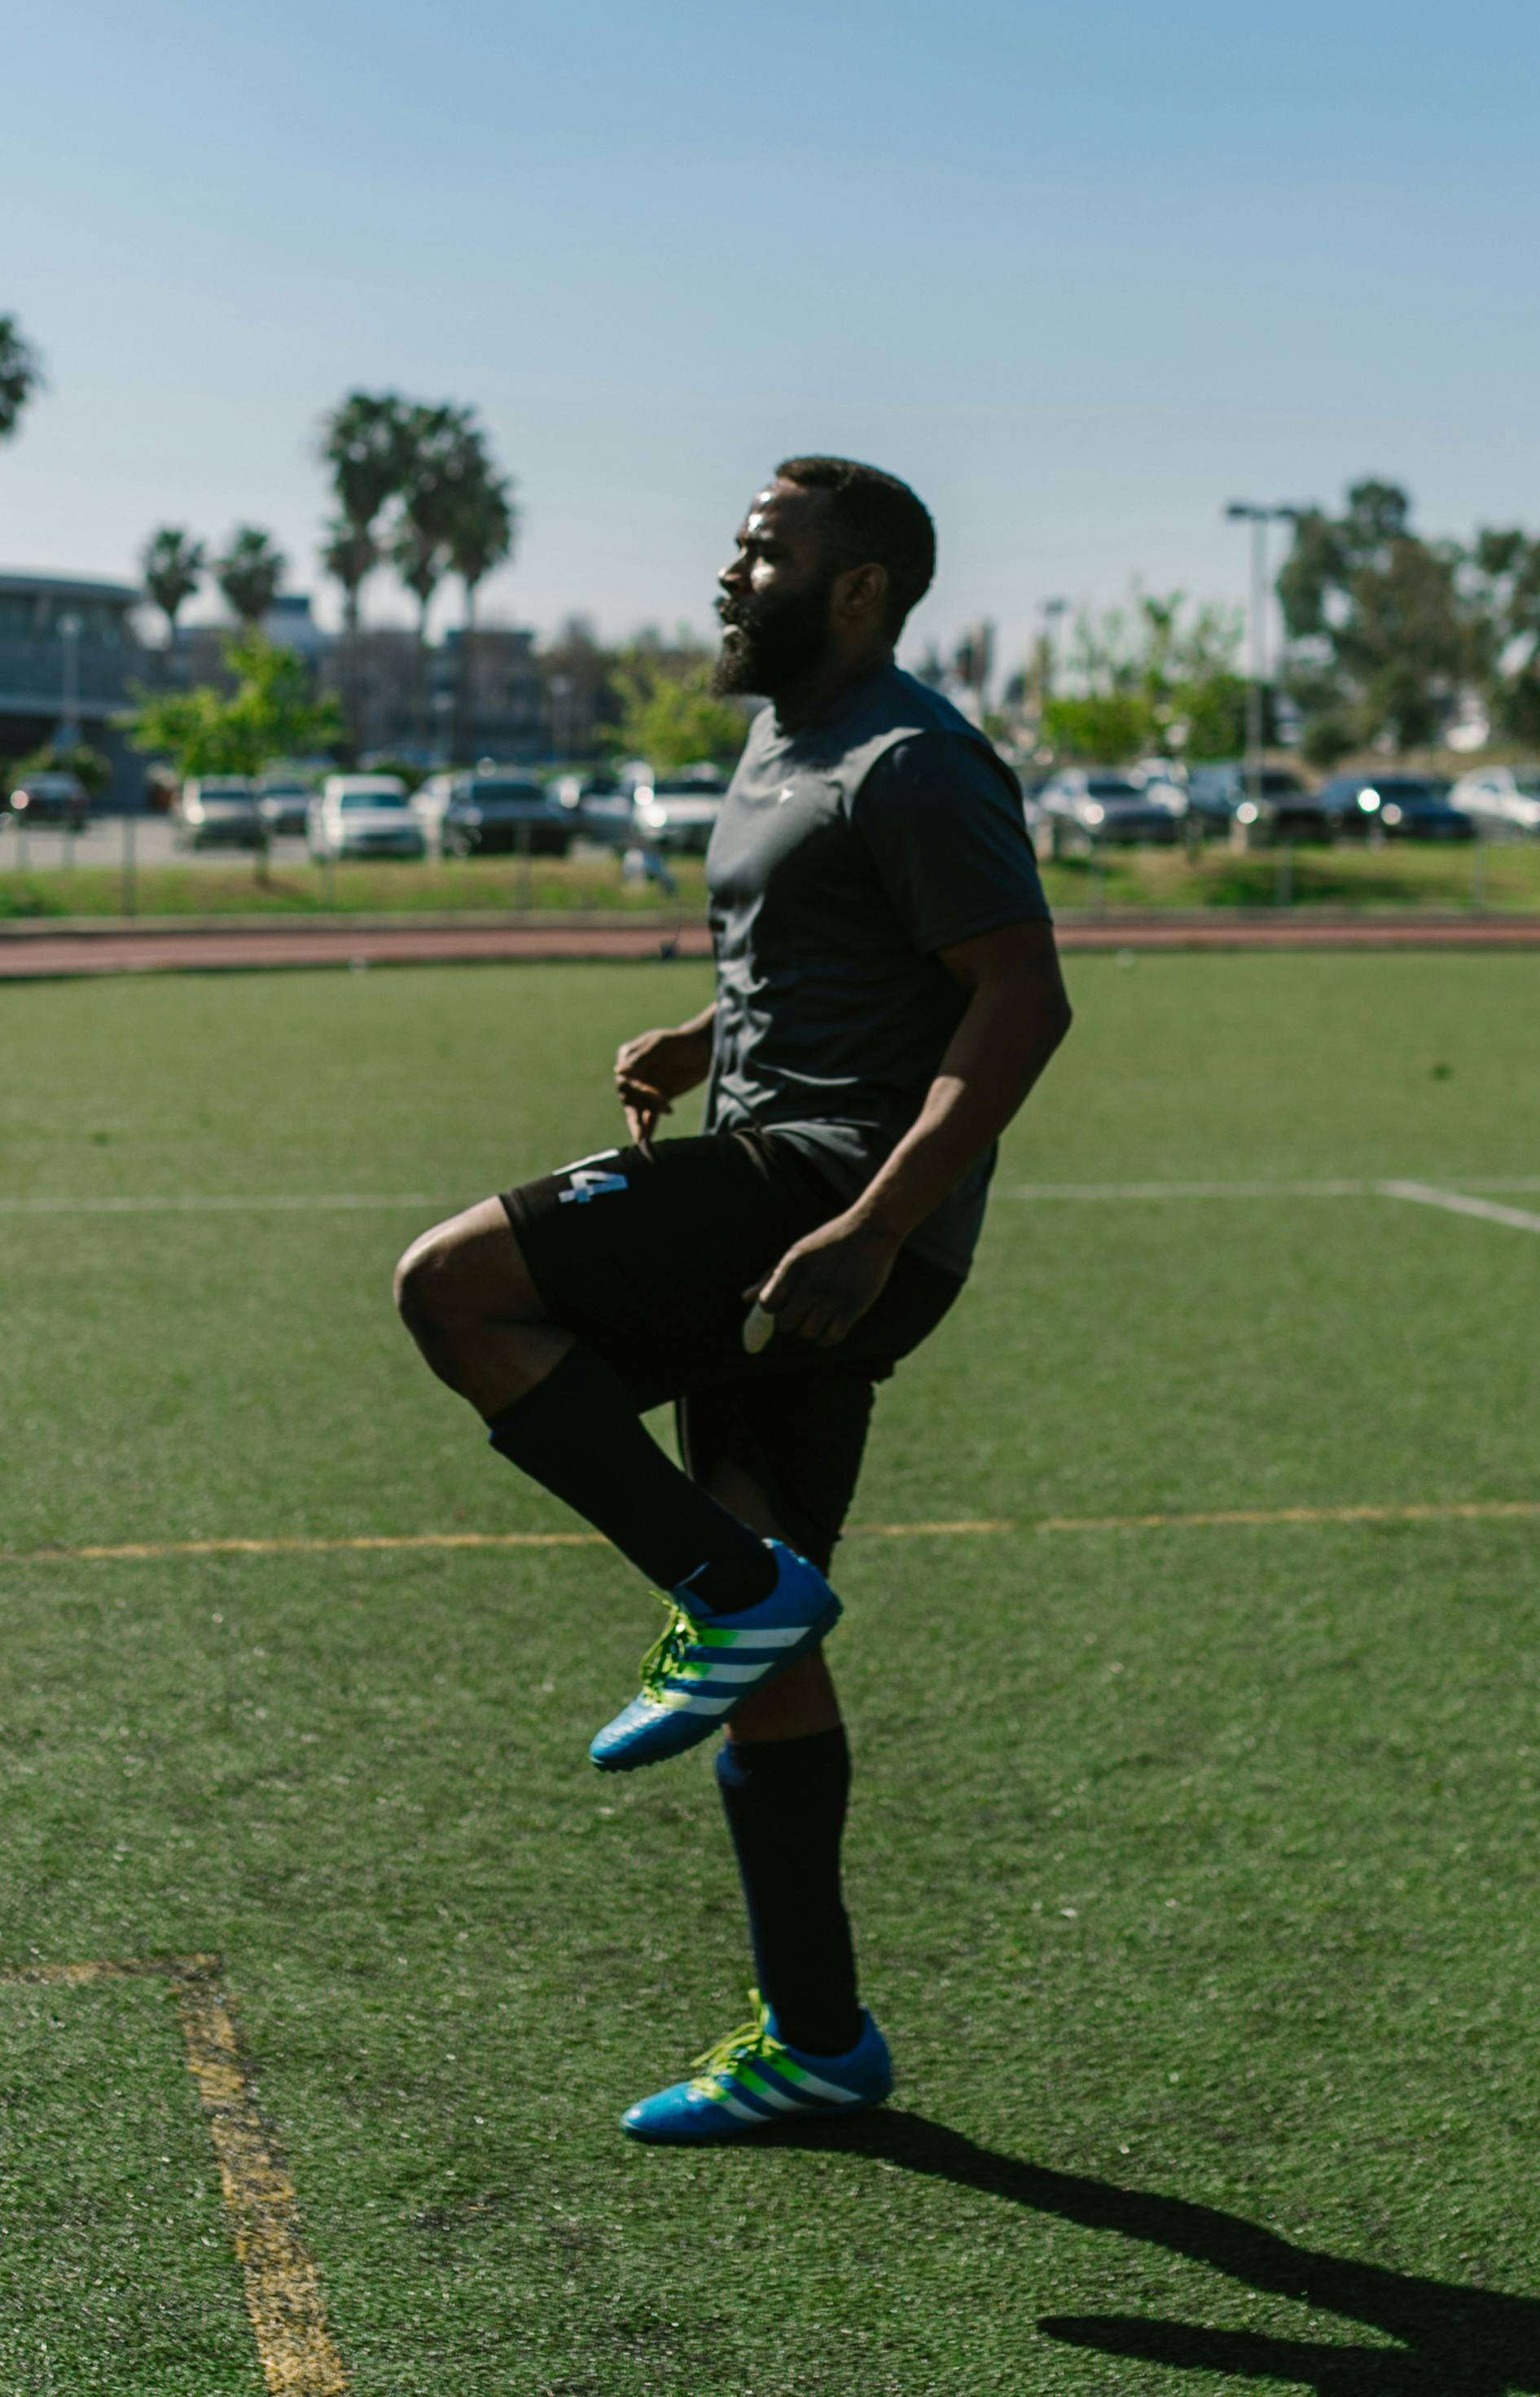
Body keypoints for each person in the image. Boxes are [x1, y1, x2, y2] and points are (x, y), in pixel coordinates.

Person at [396, 457, 1071, 2143]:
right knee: (776, 1603)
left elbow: (1022, 1000)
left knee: (454, 1286)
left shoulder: (917, 757)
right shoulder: (789, 735)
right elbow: (834, 944)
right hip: (783, 1172)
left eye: (762, 552)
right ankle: (819, 2037)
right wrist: (709, 1028)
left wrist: (875, 1219)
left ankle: (721, 1586)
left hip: (826, 1199)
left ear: (860, 587)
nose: (727, 574)